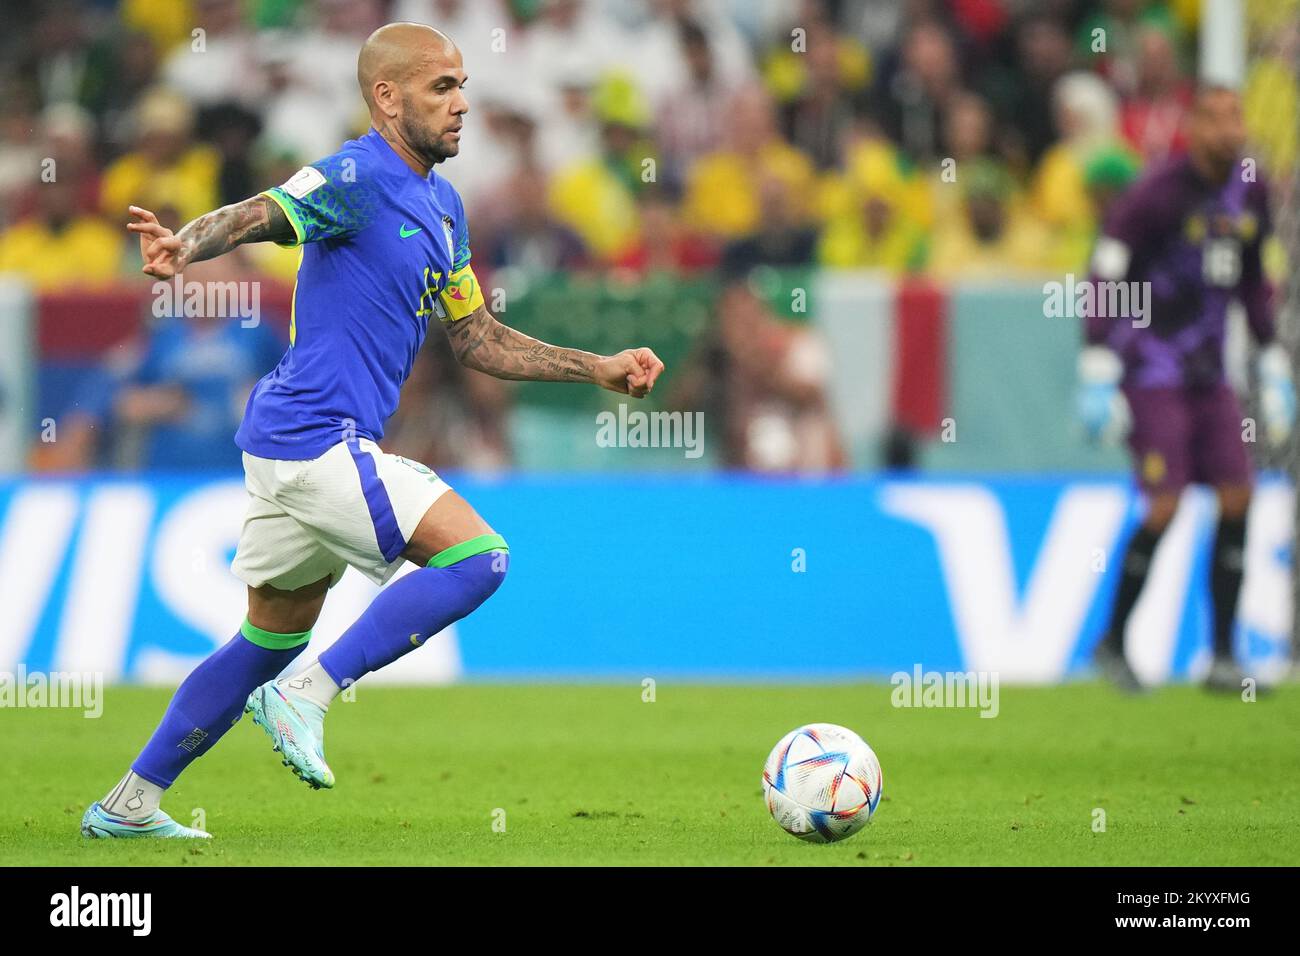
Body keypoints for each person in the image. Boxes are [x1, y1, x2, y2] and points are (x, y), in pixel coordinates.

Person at [82, 22, 663, 839]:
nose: (461, 104)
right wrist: (189, 243)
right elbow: (263, 212)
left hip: (288, 443)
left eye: (464, 86)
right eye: (441, 89)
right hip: (318, 437)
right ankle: (311, 695)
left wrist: (594, 366)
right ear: (386, 98)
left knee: (264, 641)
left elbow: (478, 339)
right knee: (479, 557)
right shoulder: (356, 174)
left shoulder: (443, 205)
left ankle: (127, 808)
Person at [1079, 86, 1293, 693]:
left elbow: (1252, 279)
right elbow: (1106, 269)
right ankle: (1112, 643)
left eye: (1236, 117)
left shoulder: (1250, 191)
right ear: (1193, 127)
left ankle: (1223, 655)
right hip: (1151, 369)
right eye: (1216, 118)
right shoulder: (1156, 193)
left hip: (1209, 373)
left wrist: (1271, 355)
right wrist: (1098, 360)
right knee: (1165, 502)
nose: (1230, 130)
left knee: (1236, 495)